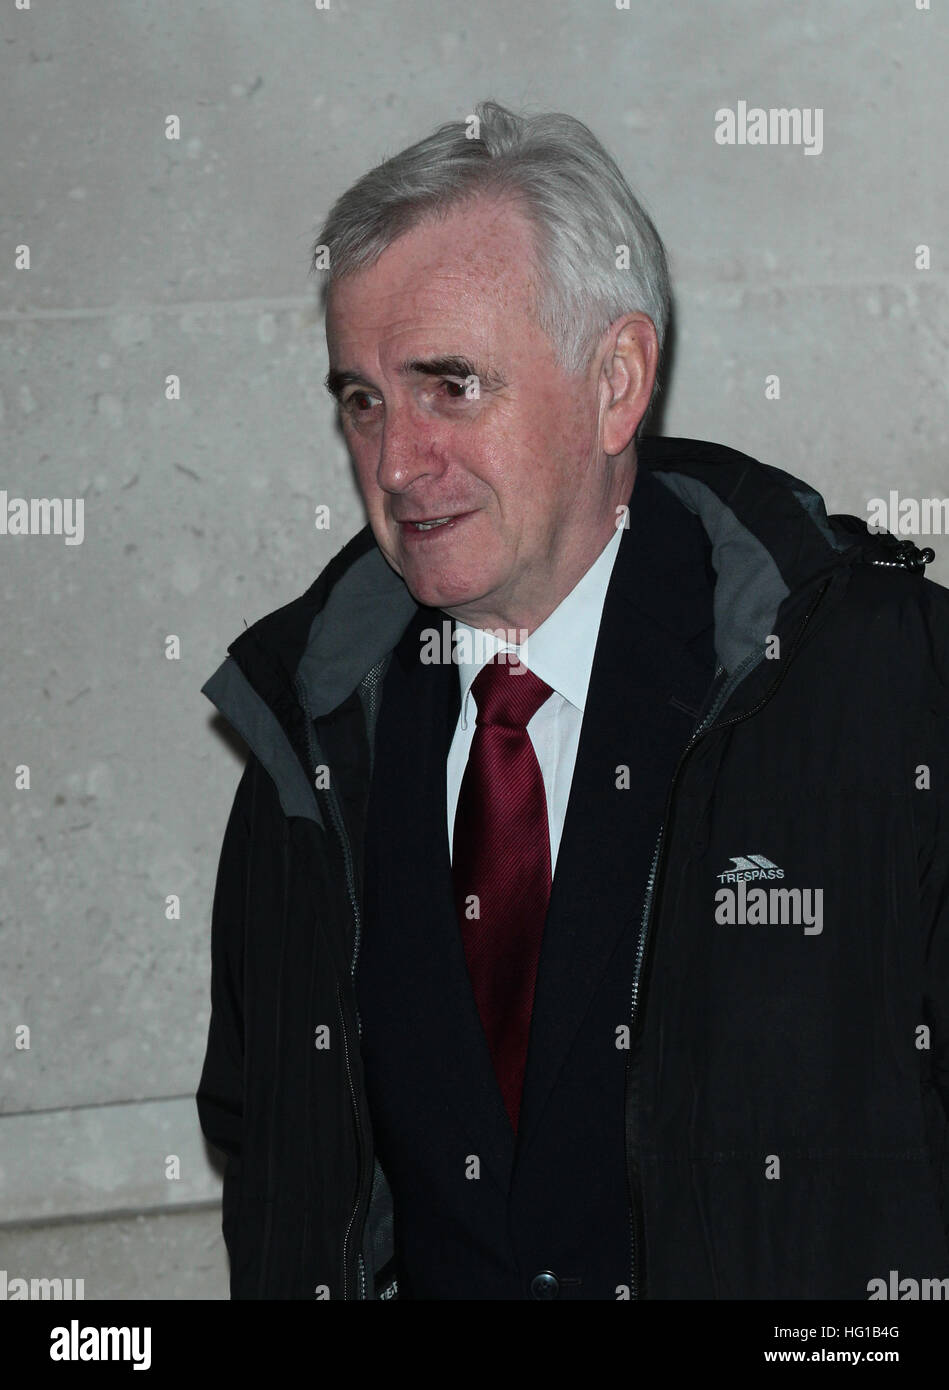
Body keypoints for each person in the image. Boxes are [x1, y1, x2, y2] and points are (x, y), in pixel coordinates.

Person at [196, 99, 949, 1300]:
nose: (395, 462)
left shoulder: (881, 685)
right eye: (364, 399)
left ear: (615, 382)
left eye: (450, 386)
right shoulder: (313, 735)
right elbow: (280, 1160)